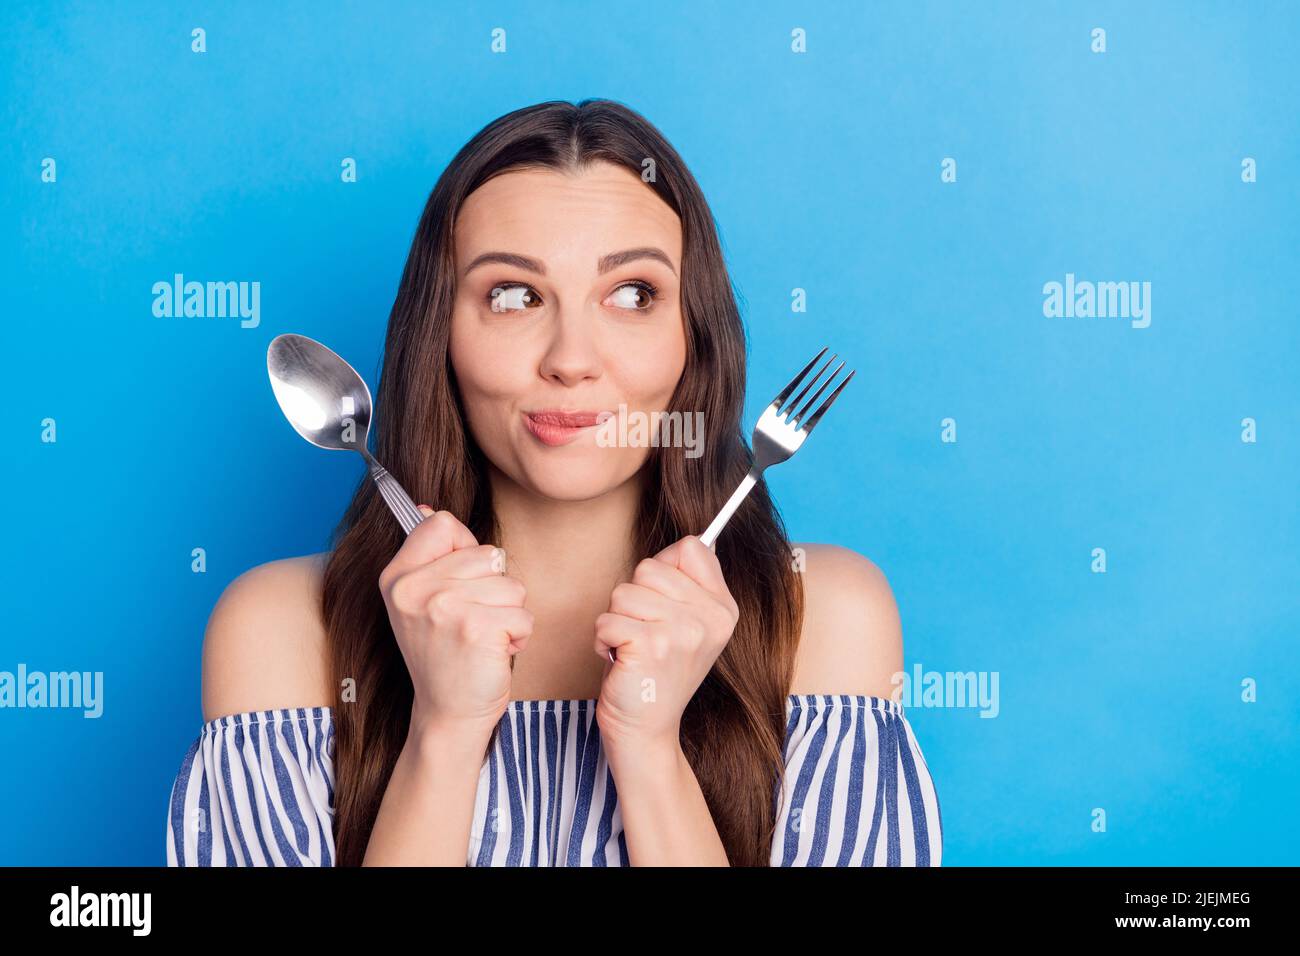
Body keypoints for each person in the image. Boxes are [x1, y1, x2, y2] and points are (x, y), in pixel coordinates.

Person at [165, 98, 943, 867]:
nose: (572, 358)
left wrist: (647, 746)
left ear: (694, 339)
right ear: (439, 337)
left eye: (633, 295)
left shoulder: (825, 617)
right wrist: (443, 730)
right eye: (514, 295)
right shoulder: (281, 630)